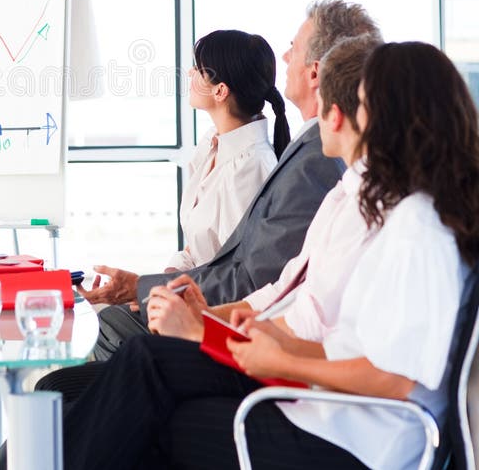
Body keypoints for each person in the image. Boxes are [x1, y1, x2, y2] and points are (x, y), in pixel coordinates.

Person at [56, 41, 479, 470]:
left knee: (155, 409)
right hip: (328, 412)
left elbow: (395, 378)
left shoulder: (418, 228)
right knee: (146, 387)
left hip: (354, 441)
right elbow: (334, 331)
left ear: (391, 118)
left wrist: (279, 358)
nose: (358, 117)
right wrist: (245, 334)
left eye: (365, 105)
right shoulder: (399, 211)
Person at [87, 0, 381, 360]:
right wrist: (170, 294)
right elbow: (273, 283)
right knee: (106, 331)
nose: (285, 57)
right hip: (223, 312)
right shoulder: (292, 154)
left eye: (293, 48)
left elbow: (256, 280)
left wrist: (170, 302)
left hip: (237, 327)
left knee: (111, 337)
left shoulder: (305, 162)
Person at [164, 29, 290, 273]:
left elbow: (236, 273)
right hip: (190, 286)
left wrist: (159, 287)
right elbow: (199, 248)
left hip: (210, 295)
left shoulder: (251, 168)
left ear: (220, 91)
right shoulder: (212, 142)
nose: (190, 73)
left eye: (199, 70)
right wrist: (163, 281)